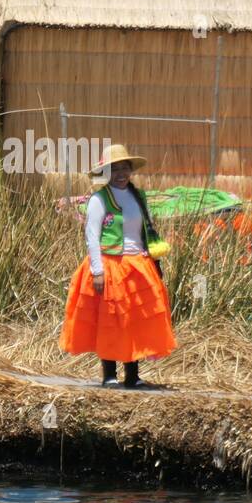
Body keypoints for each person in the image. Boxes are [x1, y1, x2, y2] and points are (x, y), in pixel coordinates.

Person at [60, 143, 176, 388]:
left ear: (131, 170)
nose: (121, 174)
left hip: (138, 265)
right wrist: (97, 271)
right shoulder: (99, 200)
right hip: (110, 265)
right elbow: (92, 236)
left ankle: (133, 376)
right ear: (106, 173)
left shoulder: (138, 197)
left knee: (135, 320)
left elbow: (146, 230)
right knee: (111, 320)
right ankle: (109, 375)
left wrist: (154, 261)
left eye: (125, 168)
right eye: (115, 169)